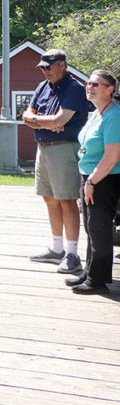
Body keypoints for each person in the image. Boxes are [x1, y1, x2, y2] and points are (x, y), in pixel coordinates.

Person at [22, 49, 90, 275]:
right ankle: (57, 249)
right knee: (49, 198)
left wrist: (39, 120)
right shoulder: (43, 87)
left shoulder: (75, 89)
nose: (44, 71)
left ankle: (72, 255)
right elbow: (26, 114)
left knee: (67, 201)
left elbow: (60, 120)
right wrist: (43, 121)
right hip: (44, 149)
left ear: (63, 65)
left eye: (48, 67)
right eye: (42, 67)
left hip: (65, 149)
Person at [67, 70, 120, 294]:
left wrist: (92, 182)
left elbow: (112, 156)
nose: (90, 87)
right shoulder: (96, 113)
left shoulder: (115, 115)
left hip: (105, 179)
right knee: (91, 227)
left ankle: (98, 280)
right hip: (90, 177)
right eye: (88, 83)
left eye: (96, 84)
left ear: (110, 89)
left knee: (99, 228)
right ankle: (90, 271)